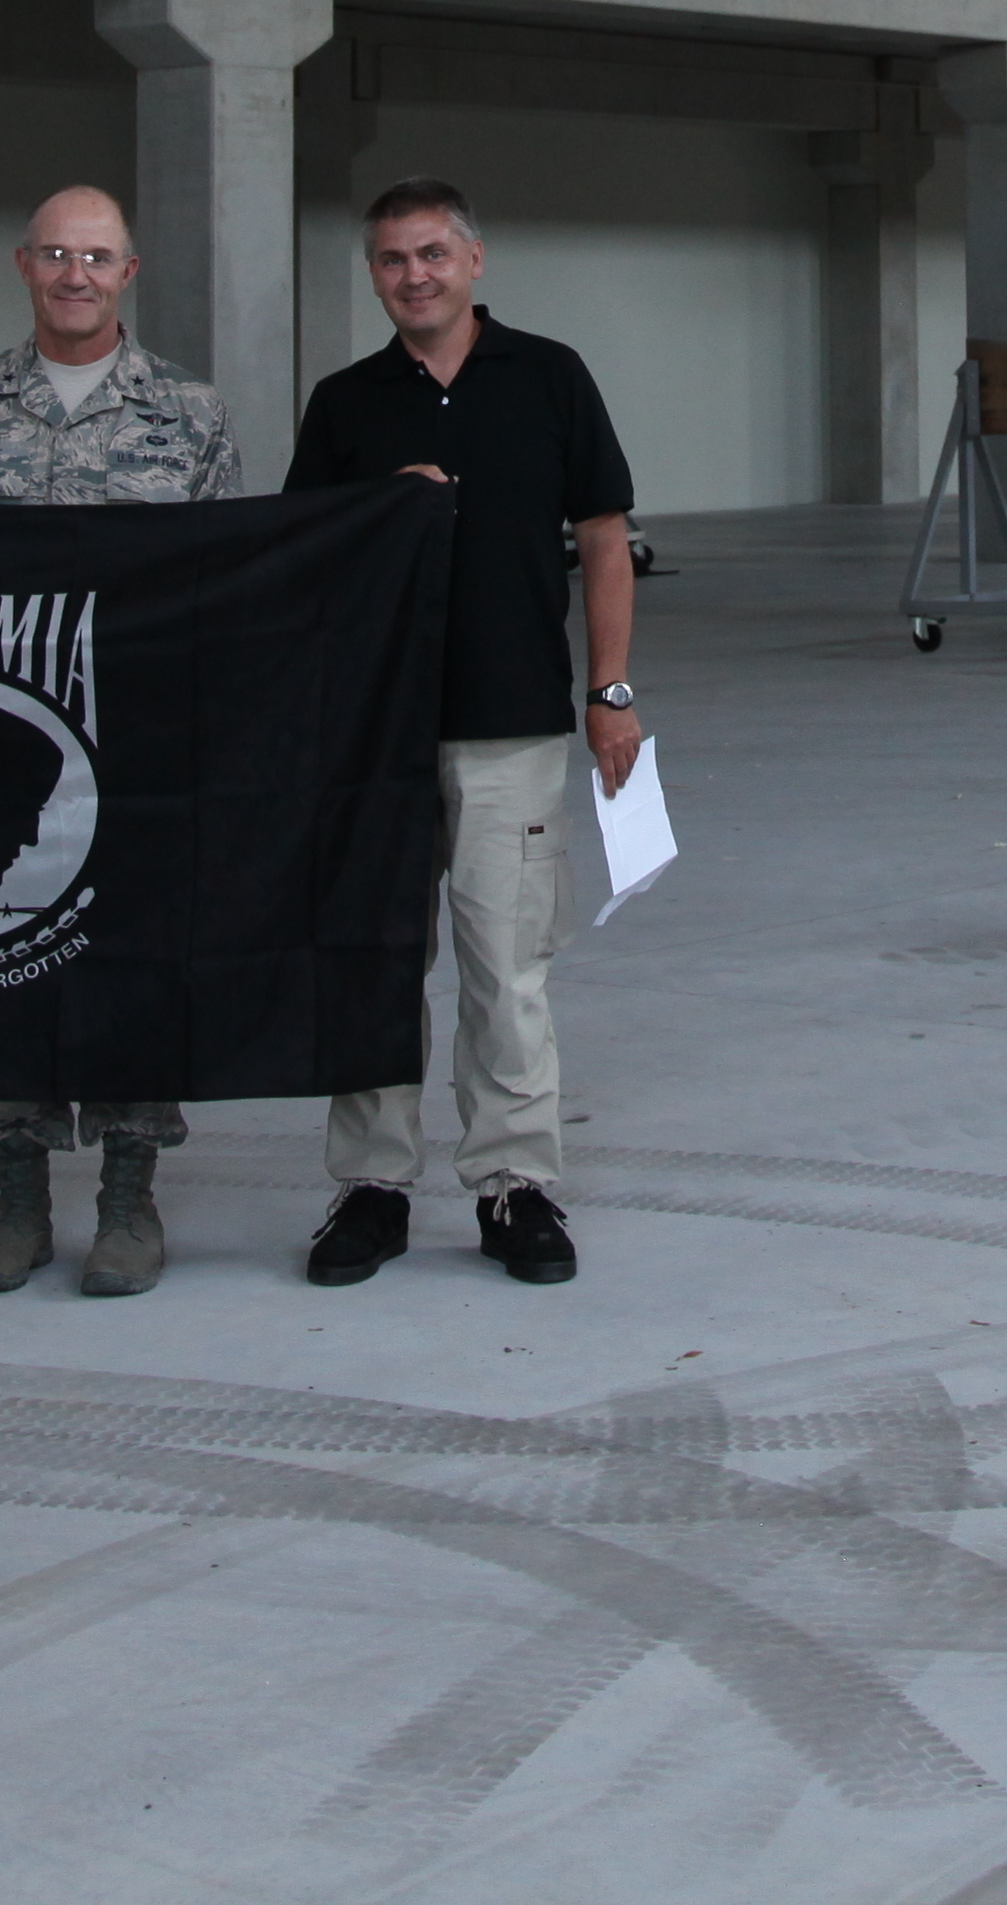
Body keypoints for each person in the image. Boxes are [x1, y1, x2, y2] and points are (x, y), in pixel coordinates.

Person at [281, 180, 641, 1287]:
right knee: (377, 967)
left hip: (512, 726)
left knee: (507, 970)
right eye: (392, 260)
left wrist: (610, 693)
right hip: (375, 736)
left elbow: (604, 539)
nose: (413, 276)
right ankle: (372, 1188)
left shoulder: (549, 377)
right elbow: (303, 557)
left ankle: (515, 1186)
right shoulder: (347, 404)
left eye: (432, 254)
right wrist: (378, 505)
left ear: (474, 261)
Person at [0, 184, 235, 1296]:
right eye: (55, 254)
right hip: (3, 746)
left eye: (96, 256)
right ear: (24, 265)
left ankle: (130, 1200)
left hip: (139, 744)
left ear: (129, 273)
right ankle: (18, 1202)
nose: (75, 274)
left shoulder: (190, 415)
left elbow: (225, 589)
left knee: (138, 961)